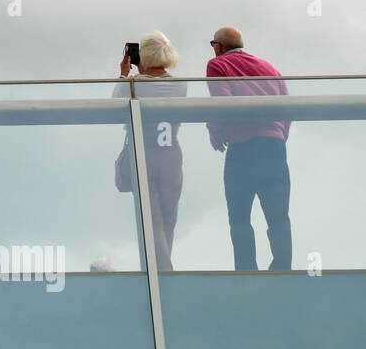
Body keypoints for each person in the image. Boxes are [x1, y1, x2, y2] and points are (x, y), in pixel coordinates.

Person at [206, 27, 291, 270]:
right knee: (278, 215)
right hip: (274, 148)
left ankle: (247, 271)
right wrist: (279, 134)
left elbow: (222, 104)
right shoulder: (270, 68)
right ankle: (283, 269)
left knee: (240, 216)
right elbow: (288, 107)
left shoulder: (218, 65)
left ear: (219, 47)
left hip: (242, 149)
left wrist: (216, 132)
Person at [114, 32, 187, 271]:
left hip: (144, 153)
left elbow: (115, 104)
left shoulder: (134, 84)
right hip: (171, 154)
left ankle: (160, 275)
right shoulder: (180, 84)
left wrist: (125, 74)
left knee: (151, 221)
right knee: (168, 220)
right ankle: (162, 273)